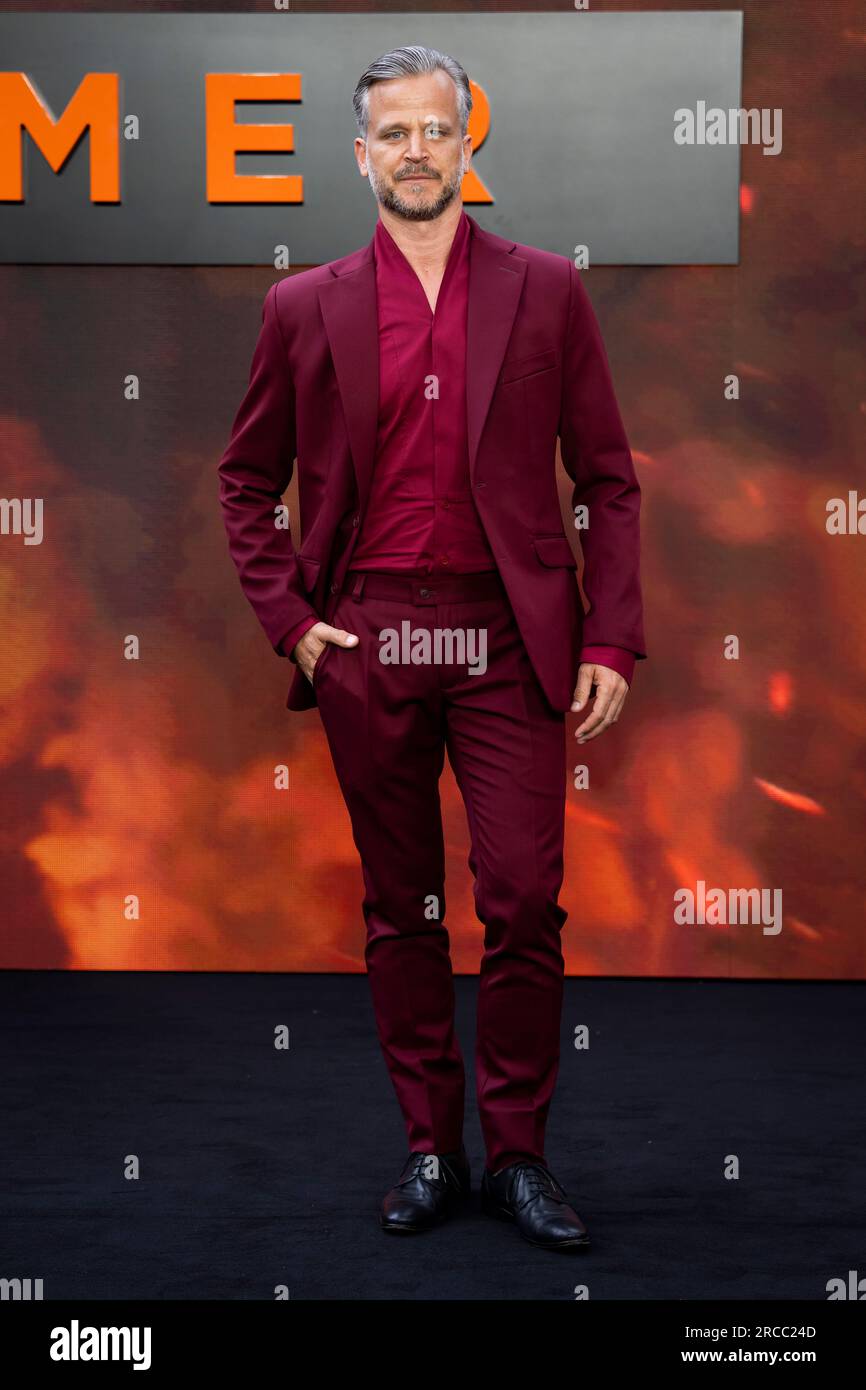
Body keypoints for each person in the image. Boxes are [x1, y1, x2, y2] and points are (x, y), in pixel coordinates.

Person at [218, 44, 646, 1252]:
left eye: (435, 129)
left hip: (510, 640)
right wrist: (297, 629)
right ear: (361, 156)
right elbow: (244, 481)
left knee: (519, 900)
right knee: (401, 909)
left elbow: (606, 478)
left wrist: (609, 629)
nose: (416, 150)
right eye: (391, 133)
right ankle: (427, 1146)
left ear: (469, 143)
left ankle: (516, 1155)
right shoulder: (300, 306)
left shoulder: (545, 291)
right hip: (368, 640)